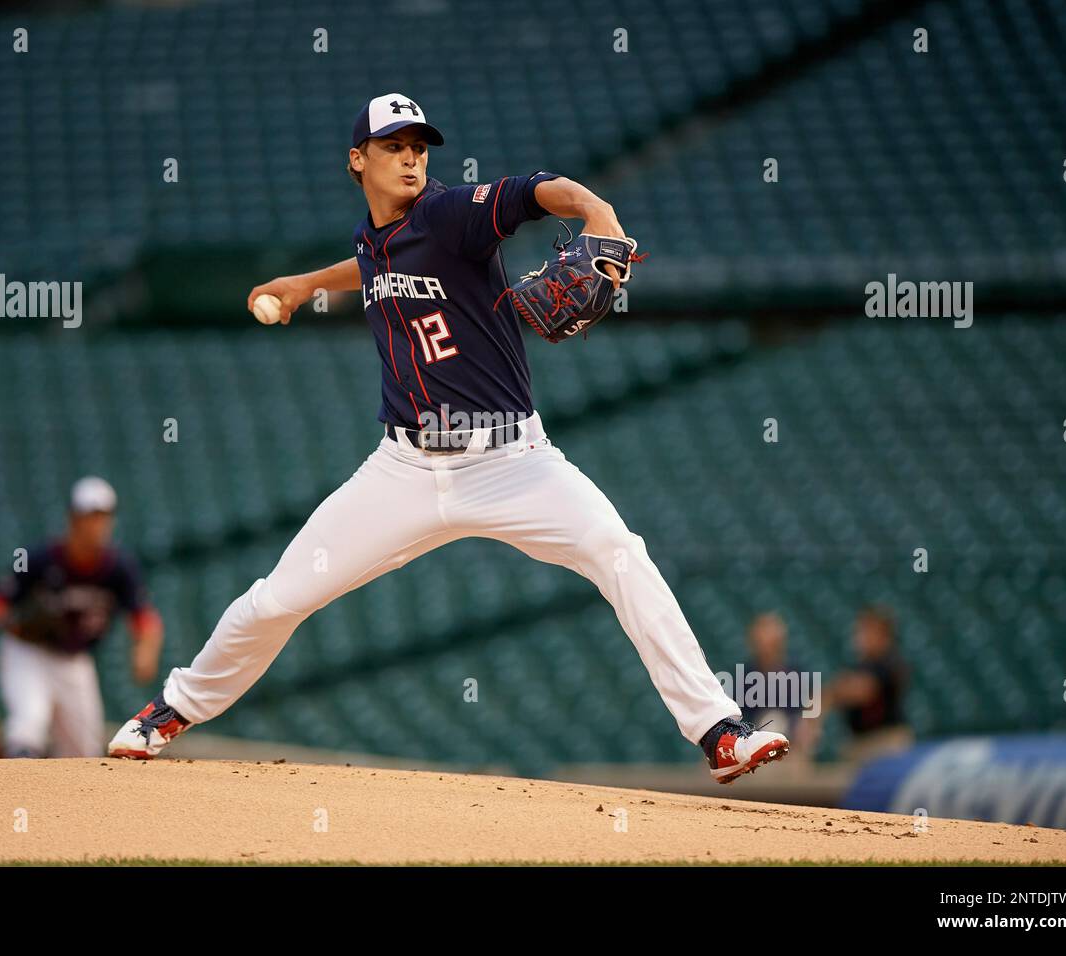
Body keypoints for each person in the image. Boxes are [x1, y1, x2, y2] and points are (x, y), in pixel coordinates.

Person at [108, 93, 789, 783]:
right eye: (393, 145)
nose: (410, 156)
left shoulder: (447, 213)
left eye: (419, 145)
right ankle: (171, 710)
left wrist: (597, 213)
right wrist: (303, 282)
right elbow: (371, 265)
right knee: (281, 597)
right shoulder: (375, 237)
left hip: (513, 463)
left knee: (619, 553)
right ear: (358, 159)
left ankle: (718, 731)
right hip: (402, 470)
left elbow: (534, 192)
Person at [0, 476, 163, 757]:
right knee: (29, 723)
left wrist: (145, 650)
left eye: (104, 517)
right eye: (91, 516)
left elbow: (144, 618)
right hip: (28, 653)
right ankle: (16, 793)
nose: (98, 524)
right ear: (73, 519)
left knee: (85, 749)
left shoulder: (119, 568)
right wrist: (17, 622)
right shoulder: (38, 558)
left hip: (75, 660)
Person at [828, 606, 912, 762]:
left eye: (868, 631)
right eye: (860, 631)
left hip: (886, 741)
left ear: (884, 635)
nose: (861, 637)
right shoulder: (859, 665)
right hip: (859, 741)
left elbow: (863, 691)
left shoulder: (890, 663)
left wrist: (834, 692)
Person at [738, 612, 818, 757]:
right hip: (752, 750)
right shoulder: (743, 676)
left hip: (790, 748)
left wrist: (803, 735)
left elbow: (812, 714)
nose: (766, 644)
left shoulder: (797, 676)